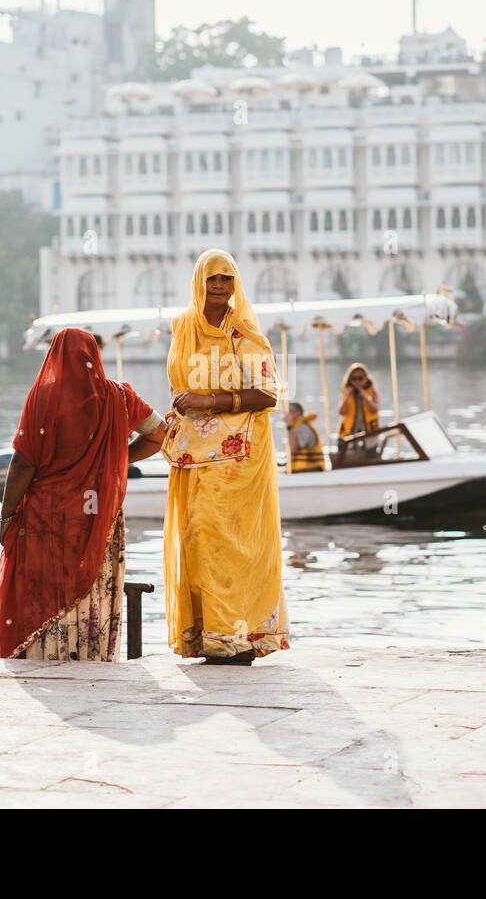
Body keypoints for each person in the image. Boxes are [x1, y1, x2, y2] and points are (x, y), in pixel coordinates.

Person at [0, 328, 166, 661]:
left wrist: (7, 515)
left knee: (44, 586)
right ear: (94, 357)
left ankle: (43, 657)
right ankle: (87, 657)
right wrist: (116, 456)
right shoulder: (119, 397)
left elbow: (23, 463)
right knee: (93, 581)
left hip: (47, 515)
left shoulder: (44, 398)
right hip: (98, 514)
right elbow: (160, 434)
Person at [162, 249, 289, 665]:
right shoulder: (183, 328)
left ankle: (237, 639)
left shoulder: (245, 334)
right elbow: (178, 385)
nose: (219, 285)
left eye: (227, 278)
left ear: (235, 284)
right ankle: (209, 636)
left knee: (232, 542)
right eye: (212, 278)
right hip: (194, 455)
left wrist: (209, 399)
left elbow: (268, 394)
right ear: (199, 281)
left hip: (240, 459)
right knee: (197, 538)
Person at [338, 362, 380, 442]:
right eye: (354, 379)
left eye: (360, 378)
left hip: (369, 436)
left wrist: (365, 396)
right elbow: (342, 412)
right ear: (350, 380)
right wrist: (346, 397)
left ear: (366, 378)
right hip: (348, 435)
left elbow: (374, 409)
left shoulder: (373, 392)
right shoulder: (346, 393)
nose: (357, 381)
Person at [284, 401, 327, 472]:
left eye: (289, 412)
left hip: (311, 470)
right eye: (285, 412)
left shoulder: (303, 427)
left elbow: (293, 449)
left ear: (298, 412)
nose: (286, 416)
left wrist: (289, 426)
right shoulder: (297, 426)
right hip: (302, 470)